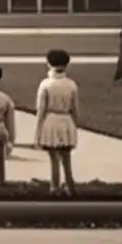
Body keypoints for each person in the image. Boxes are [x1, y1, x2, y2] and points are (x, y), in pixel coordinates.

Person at [35, 48, 81, 197]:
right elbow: (75, 109)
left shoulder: (46, 84)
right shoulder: (71, 84)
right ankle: (70, 185)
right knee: (66, 157)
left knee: (54, 157)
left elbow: (41, 109)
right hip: (66, 120)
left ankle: (54, 186)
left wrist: (38, 131)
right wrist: (75, 125)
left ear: (49, 64)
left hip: (51, 120)